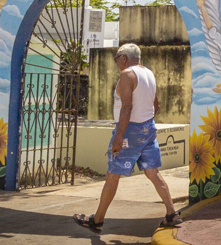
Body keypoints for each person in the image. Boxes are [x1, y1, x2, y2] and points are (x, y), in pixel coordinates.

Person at [74, 43, 181, 233]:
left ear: (124, 58)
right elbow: (156, 105)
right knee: (152, 172)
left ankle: (97, 220)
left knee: (113, 174)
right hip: (148, 128)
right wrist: (144, 123)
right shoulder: (149, 74)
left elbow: (126, 108)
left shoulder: (127, 75)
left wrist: (119, 137)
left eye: (117, 59)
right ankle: (171, 213)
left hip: (129, 131)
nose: (117, 63)